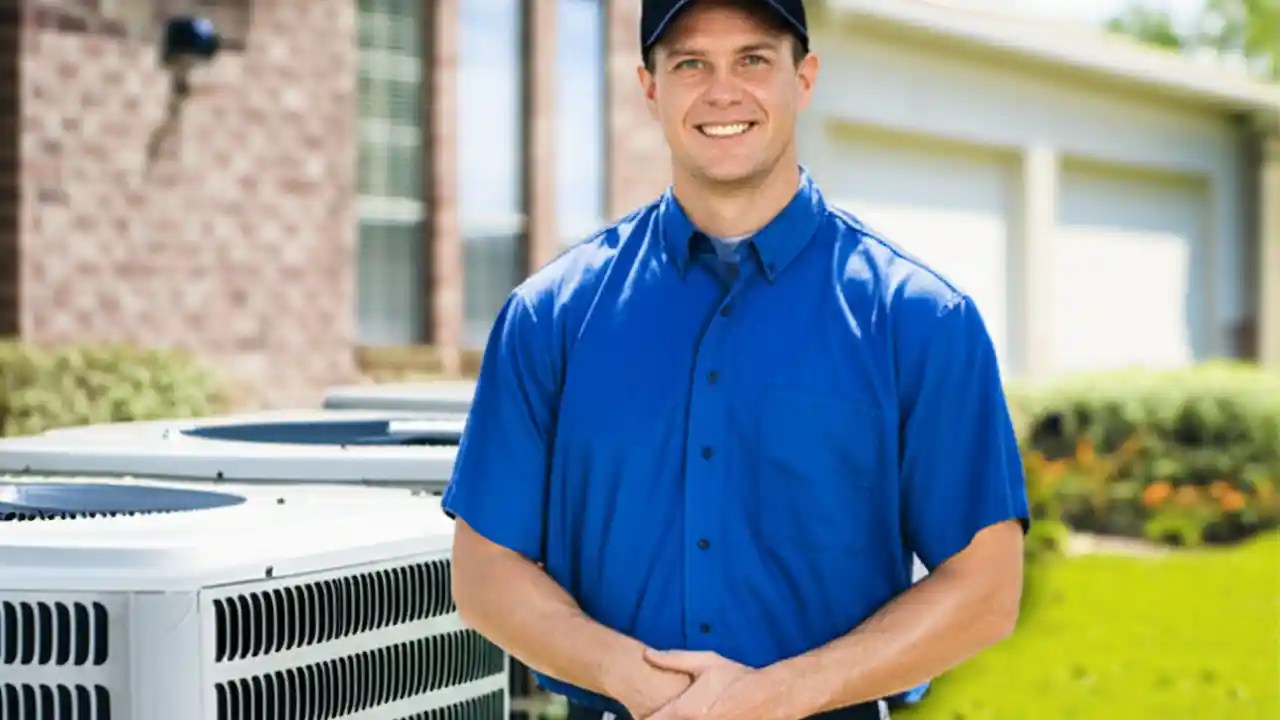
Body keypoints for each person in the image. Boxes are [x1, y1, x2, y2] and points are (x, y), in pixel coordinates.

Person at [442, 0, 1031, 718]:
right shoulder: (550, 319)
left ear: (804, 78)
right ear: (650, 87)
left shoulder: (919, 319)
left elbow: (986, 589)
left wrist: (771, 698)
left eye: (753, 59)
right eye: (691, 63)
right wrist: (636, 679)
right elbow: (484, 573)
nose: (723, 90)